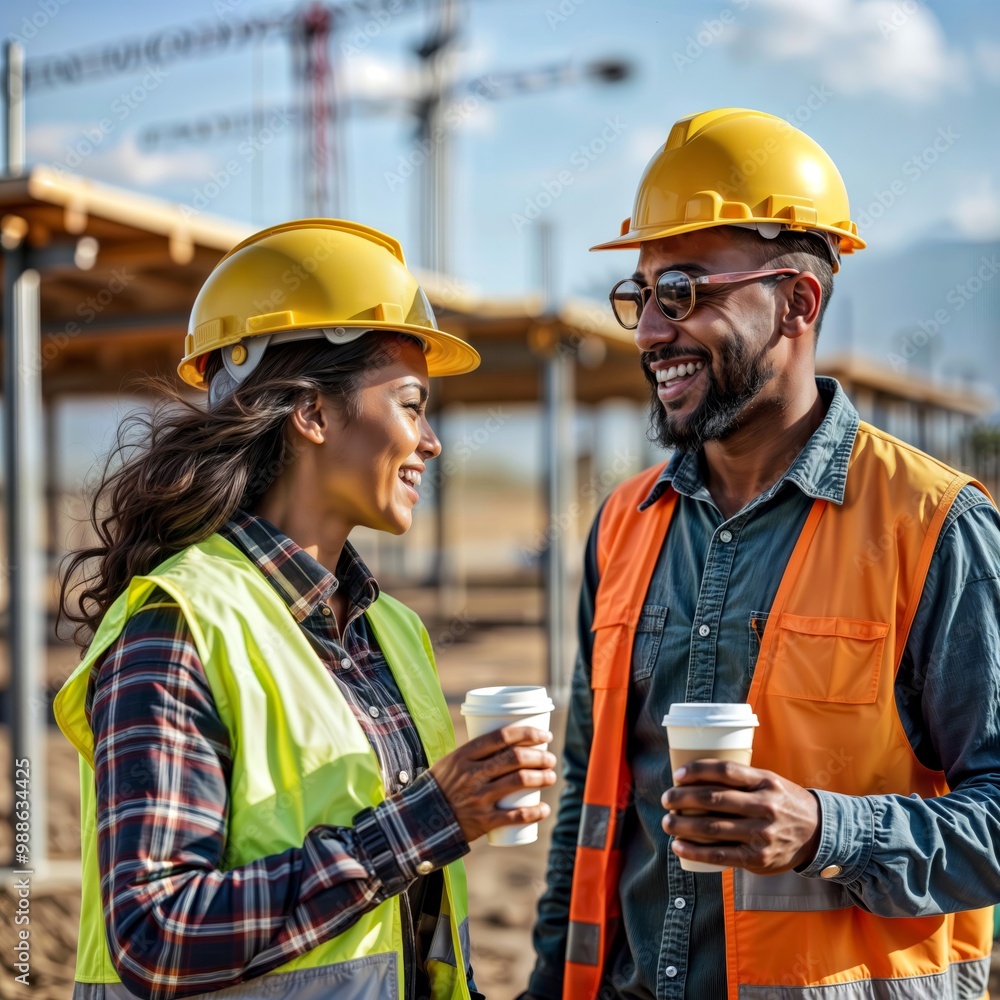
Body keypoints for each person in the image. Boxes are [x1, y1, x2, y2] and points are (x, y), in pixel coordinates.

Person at [522, 107, 1000, 1000]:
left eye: (683, 292)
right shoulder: (624, 523)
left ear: (797, 302)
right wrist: (551, 979)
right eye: (641, 295)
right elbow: (592, 802)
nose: (649, 332)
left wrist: (827, 832)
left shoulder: (934, 525)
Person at [54, 219, 558, 1000]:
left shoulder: (391, 631)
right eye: (412, 404)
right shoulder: (180, 623)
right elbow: (157, 935)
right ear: (313, 414)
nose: (431, 442)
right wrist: (430, 819)